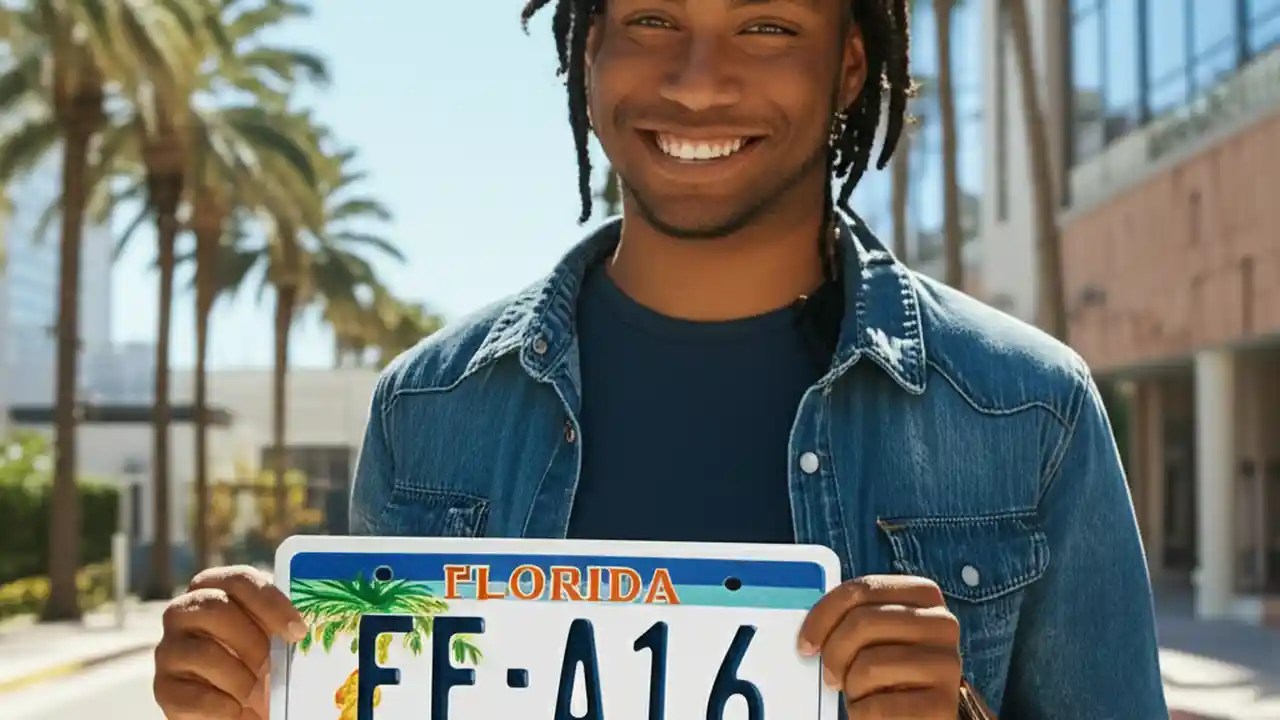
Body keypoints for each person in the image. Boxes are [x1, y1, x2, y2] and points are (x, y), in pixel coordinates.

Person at [152, 0, 1170, 718]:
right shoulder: (428, 407)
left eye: (765, 26)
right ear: (589, 49)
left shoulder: (1028, 410)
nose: (696, 83)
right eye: (650, 21)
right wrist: (265, 704)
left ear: (849, 64)